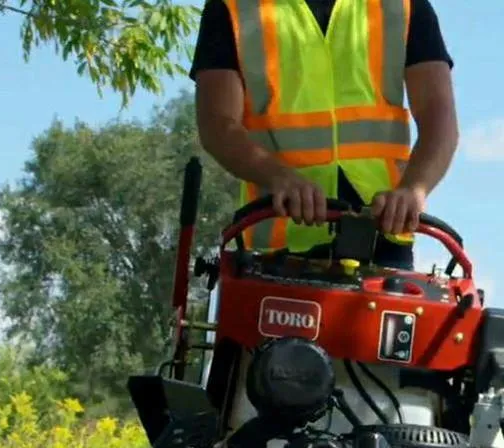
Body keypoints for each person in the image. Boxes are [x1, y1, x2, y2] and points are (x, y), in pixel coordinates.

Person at [188, 0, 458, 268]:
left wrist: (414, 188)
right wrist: (279, 177)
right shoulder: (233, 7)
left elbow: (439, 116)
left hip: (382, 236)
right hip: (278, 241)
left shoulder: (403, 6)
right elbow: (217, 124)